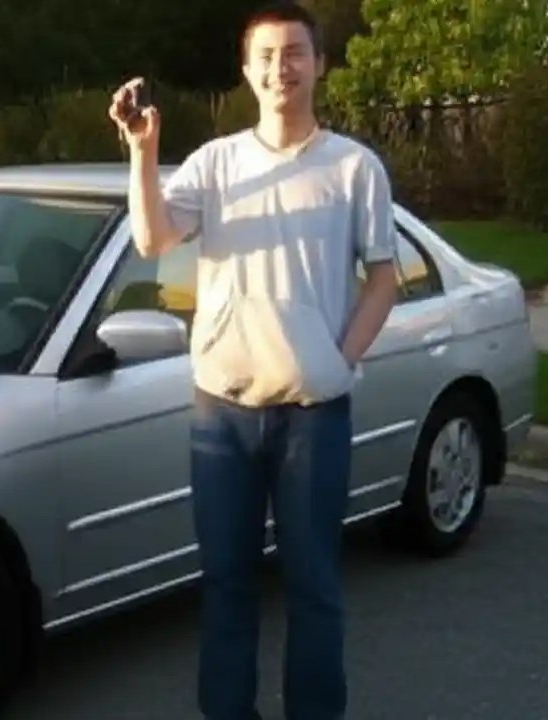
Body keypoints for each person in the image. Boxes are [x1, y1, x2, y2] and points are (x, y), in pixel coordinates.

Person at [107, 2, 400, 719]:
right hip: (223, 418)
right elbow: (151, 240)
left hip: (313, 418)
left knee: (314, 590)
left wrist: (339, 363)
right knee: (227, 588)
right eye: (266, 55)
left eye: (295, 52)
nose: (281, 68)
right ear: (247, 70)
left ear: (319, 64)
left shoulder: (354, 168)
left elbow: (384, 278)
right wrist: (144, 152)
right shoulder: (216, 164)